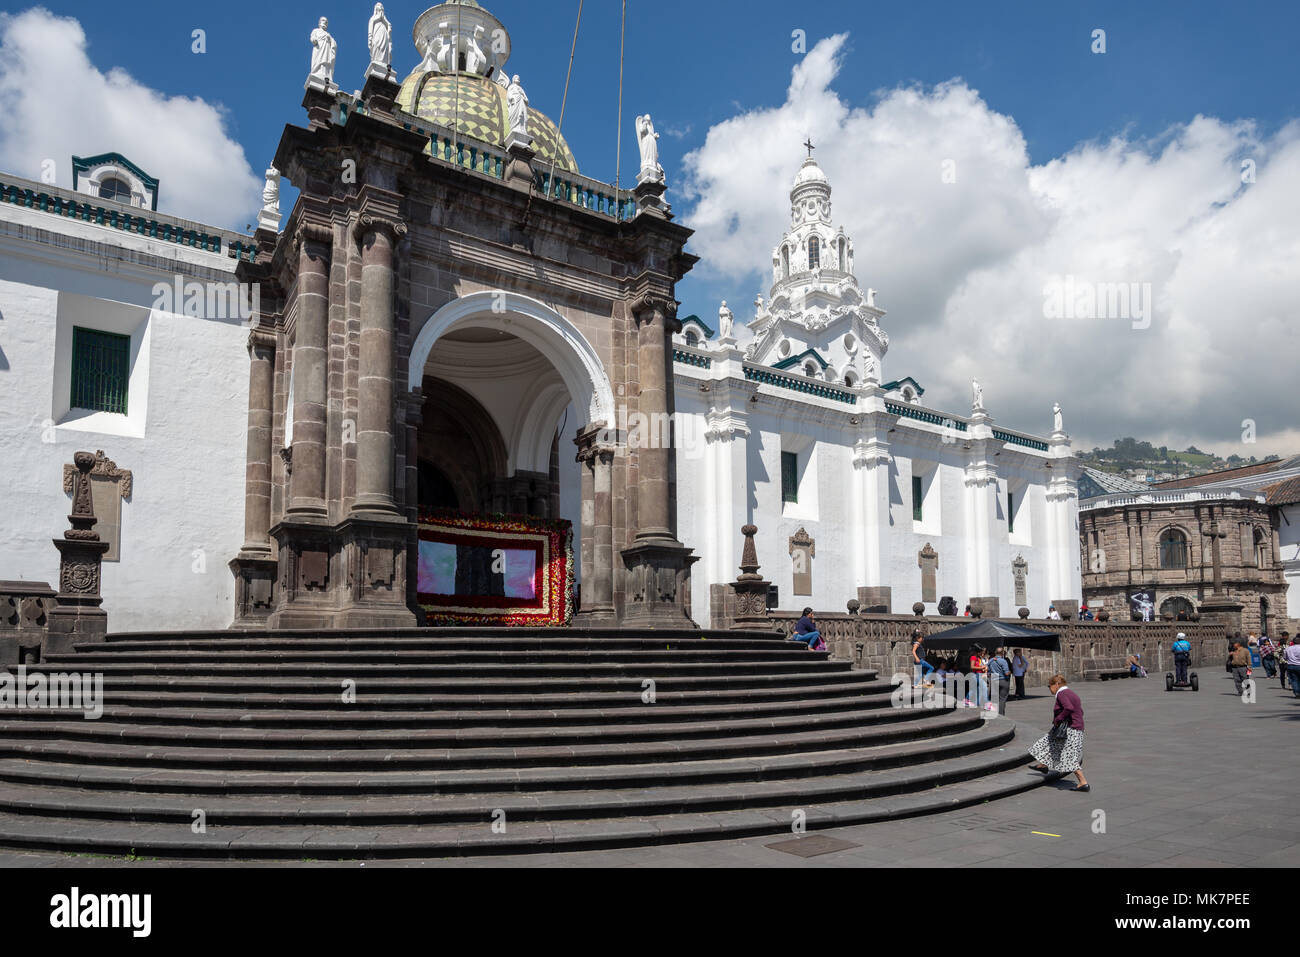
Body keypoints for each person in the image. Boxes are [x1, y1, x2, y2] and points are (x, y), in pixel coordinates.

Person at [1028, 674, 1089, 791]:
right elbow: (1079, 710)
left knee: (1070, 757)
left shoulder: (1061, 694)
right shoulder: (1071, 693)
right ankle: (1043, 765)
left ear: (1056, 684)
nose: (1049, 689)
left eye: (1049, 686)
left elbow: (1069, 708)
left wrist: (1058, 719)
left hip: (1071, 729)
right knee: (1049, 741)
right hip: (1075, 726)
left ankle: (1083, 782)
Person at [987, 647, 1012, 715]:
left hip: (994, 681)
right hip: (1003, 680)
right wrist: (1010, 672)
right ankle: (1001, 715)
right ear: (1002, 653)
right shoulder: (1003, 661)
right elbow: (1006, 672)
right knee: (1002, 699)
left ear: (995, 652)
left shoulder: (990, 660)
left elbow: (988, 673)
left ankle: (994, 713)